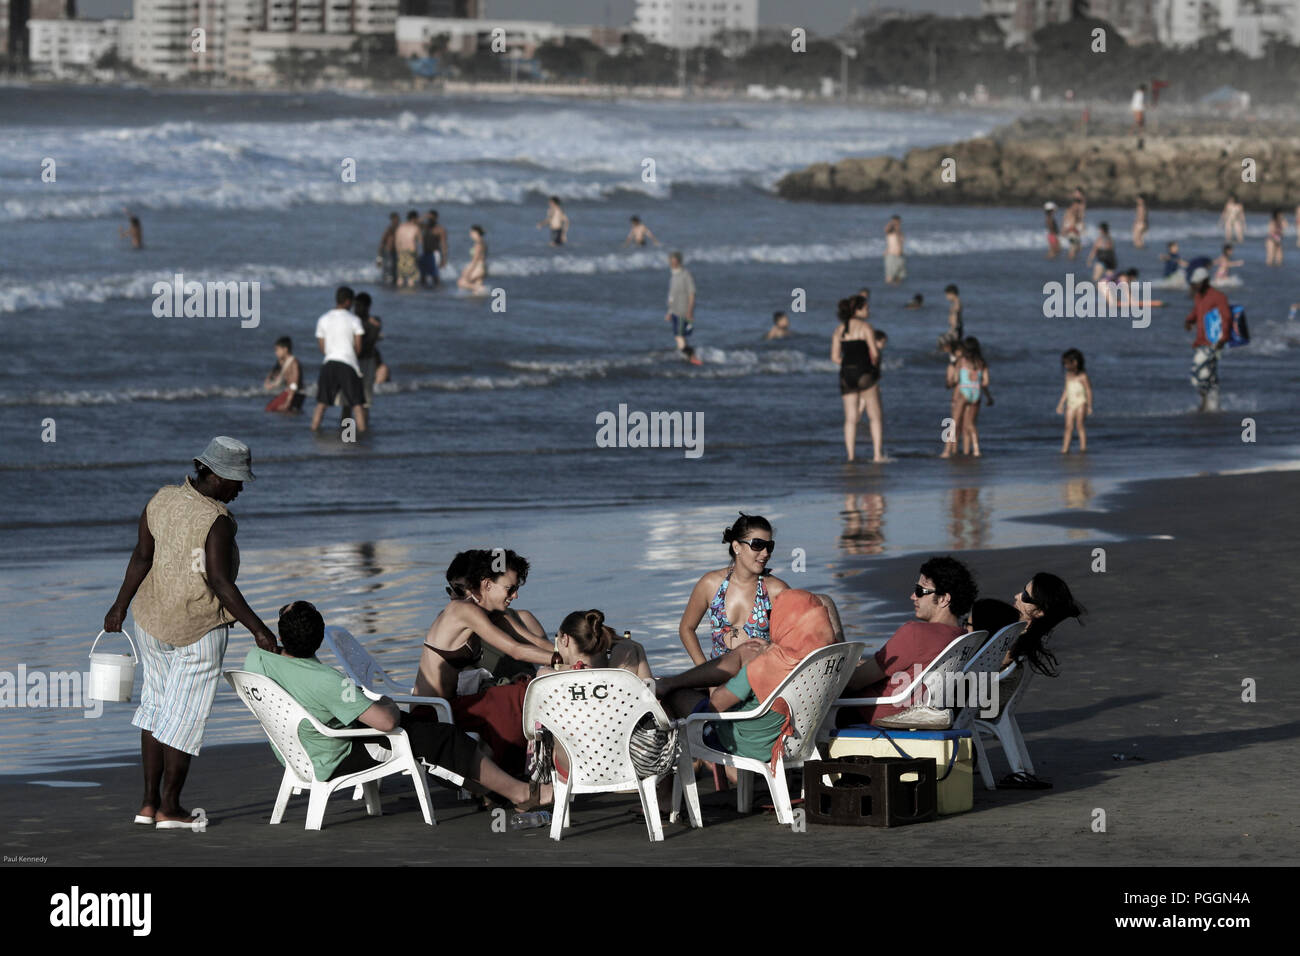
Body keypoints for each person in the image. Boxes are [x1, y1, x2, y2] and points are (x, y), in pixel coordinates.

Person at [104, 437, 277, 830]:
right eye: (237, 481)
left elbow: (141, 556)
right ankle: (170, 807)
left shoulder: (161, 499)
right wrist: (260, 630)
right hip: (198, 628)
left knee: (155, 708)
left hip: (151, 619)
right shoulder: (216, 521)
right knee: (182, 717)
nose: (241, 489)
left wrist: (120, 605)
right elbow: (220, 583)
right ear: (216, 476)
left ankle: (147, 804)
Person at [244, 601, 548, 811]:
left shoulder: (256, 659)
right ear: (319, 640)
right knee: (443, 738)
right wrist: (386, 703)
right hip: (337, 754)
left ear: (280, 636)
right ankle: (520, 793)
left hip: (297, 750)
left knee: (431, 735)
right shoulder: (327, 680)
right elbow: (387, 723)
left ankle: (499, 792)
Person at [657, 589, 835, 772]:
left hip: (751, 746)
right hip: (799, 740)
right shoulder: (830, 659)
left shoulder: (767, 664)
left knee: (675, 697)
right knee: (745, 653)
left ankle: (676, 774)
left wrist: (745, 670)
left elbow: (716, 704)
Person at [413, 550, 555, 772]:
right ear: (487, 585)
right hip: (432, 712)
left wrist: (576, 656)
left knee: (522, 689)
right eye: (511, 588)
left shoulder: (491, 613)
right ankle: (511, 772)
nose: (515, 595)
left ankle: (514, 769)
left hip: (456, 705)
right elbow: (516, 650)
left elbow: (535, 643)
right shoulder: (462, 610)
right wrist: (561, 659)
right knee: (509, 697)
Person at [840, 556, 978, 726]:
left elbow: (855, 682)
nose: (913, 596)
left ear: (943, 599)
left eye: (921, 591)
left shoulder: (916, 633)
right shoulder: (964, 638)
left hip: (873, 714)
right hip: (922, 713)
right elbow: (912, 669)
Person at [677, 513, 789, 665]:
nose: (766, 553)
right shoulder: (710, 584)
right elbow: (686, 628)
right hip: (718, 677)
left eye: (769, 546)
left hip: (760, 677)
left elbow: (793, 638)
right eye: (757, 545)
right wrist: (704, 673)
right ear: (737, 546)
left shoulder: (776, 590)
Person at [444, 549, 553, 685]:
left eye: (460, 590)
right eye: (451, 590)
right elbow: (517, 650)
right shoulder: (454, 631)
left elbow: (539, 647)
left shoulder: (520, 618)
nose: (453, 597)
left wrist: (572, 657)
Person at [832, 293, 885, 463]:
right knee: (874, 416)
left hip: (846, 373)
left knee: (850, 419)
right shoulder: (866, 327)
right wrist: (871, 365)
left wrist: (849, 363)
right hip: (864, 372)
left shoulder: (839, 329)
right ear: (858, 310)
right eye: (866, 307)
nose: (868, 310)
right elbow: (875, 354)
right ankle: (877, 455)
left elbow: (834, 357)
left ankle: (850, 456)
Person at [309, 286, 367, 434]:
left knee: (322, 403)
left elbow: (322, 347)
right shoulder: (354, 320)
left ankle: (313, 432)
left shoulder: (323, 319)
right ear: (348, 302)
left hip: (329, 363)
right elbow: (358, 348)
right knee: (357, 404)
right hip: (348, 363)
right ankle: (363, 433)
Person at [1184, 266, 1232, 412]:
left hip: (1213, 343)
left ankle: (1205, 402)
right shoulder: (1199, 296)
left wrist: (1223, 339)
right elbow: (1197, 311)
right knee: (1210, 375)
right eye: (1194, 283)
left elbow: (1226, 318)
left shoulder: (1218, 297)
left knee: (1198, 374)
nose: (1195, 286)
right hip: (1200, 342)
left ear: (1206, 281)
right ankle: (1214, 406)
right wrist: (1189, 320)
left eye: (1198, 283)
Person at [944, 336, 990, 458]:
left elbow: (955, 379)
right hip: (976, 393)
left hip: (963, 392)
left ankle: (946, 451)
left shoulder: (961, 361)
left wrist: (950, 382)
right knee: (971, 424)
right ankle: (976, 449)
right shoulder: (982, 362)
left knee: (954, 422)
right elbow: (985, 382)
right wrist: (989, 397)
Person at [353, 292, 388, 412]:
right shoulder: (356, 321)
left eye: (359, 306)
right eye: (355, 306)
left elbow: (373, 333)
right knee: (350, 401)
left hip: (366, 361)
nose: (356, 309)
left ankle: (362, 429)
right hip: (355, 361)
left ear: (367, 307)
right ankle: (348, 430)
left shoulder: (371, 323)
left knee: (365, 402)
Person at [1056, 348, 1093, 454]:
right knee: (1068, 427)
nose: (1066, 366)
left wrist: (1089, 405)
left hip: (1081, 402)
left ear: (1075, 362)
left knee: (1079, 425)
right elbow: (1066, 390)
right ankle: (1065, 448)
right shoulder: (1068, 375)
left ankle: (1083, 448)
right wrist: (1061, 404)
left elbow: (1089, 390)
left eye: (1068, 363)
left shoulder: (1083, 377)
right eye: (1065, 364)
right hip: (1070, 403)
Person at [665, 251, 698, 363]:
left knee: (679, 336)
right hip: (674, 311)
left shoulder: (686, 275)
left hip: (683, 310)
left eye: (674, 261)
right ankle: (688, 357)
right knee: (680, 336)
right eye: (671, 261)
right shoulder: (673, 276)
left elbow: (692, 294)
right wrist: (669, 311)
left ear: (679, 261)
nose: (672, 263)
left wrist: (690, 311)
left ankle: (692, 356)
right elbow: (671, 296)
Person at [263, 336, 304, 414]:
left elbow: (294, 383)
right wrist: (269, 381)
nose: (276, 353)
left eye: (277, 350)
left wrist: (288, 401)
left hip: (294, 394)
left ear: (285, 349)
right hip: (289, 393)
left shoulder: (293, 363)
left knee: (270, 409)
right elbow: (274, 372)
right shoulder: (282, 361)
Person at [419, 210, 448, 288]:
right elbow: (416, 222)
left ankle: (436, 292)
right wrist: (425, 216)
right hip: (425, 253)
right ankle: (424, 292)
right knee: (423, 275)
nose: (430, 219)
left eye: (432, 218)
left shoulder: (440, 229)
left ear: (436, 218)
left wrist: (444, 259)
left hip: (435, 254)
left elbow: (444, 244)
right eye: (429, 218)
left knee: (434, 275)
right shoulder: (425, 227)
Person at [457, 225, 488, 294]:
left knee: (461, 282)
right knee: (476, 294)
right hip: (482, 266)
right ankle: (480, 294)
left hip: (478, 267)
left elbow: (475, 260)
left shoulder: (478, 244)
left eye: (471, 233)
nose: (470, 235)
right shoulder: (482, 242)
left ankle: (482, 289)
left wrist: (468, 271)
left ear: (476, 233)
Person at [394, 210, 421, 288]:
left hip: (401, 252)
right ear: (414, 218)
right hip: (411, 252)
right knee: (411, 277)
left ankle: (399, 296)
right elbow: (420, 241)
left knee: (400, 276)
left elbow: (397, 242)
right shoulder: (415, 228)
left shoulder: (400, 227)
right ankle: (411, 297)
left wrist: (398, 253)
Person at [939, 284, 963, 351]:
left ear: (952, 294)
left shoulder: (957, 303)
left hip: (955, 329)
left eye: (947, 295)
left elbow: (956, 316)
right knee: (949, 344)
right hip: (955, 329)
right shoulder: (956, 302)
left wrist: (952, 330)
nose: (946, 297)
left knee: (942, 340)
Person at [377, 213, 398, 286]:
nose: (397, 221)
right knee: (387, 269)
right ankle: (387, 284)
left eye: (397, 219)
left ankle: (392, 284)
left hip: (394, 253)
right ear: (392, 220)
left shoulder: (398, 229)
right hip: (387, 252)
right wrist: (379, 258)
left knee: (393, 270)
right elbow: (382, 243)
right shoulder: (389, 230)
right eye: (395, 219)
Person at [884, 215, 906, 285]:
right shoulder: (890, 231)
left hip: (900, 255)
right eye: (896, 222)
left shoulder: (900, 232)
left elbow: (901, 243)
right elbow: (886, 229)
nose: (897, 224)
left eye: (898, 222)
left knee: (899, 276)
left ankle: (896, 292)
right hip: (891, 255)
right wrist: (892, 223)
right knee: (890, 276)